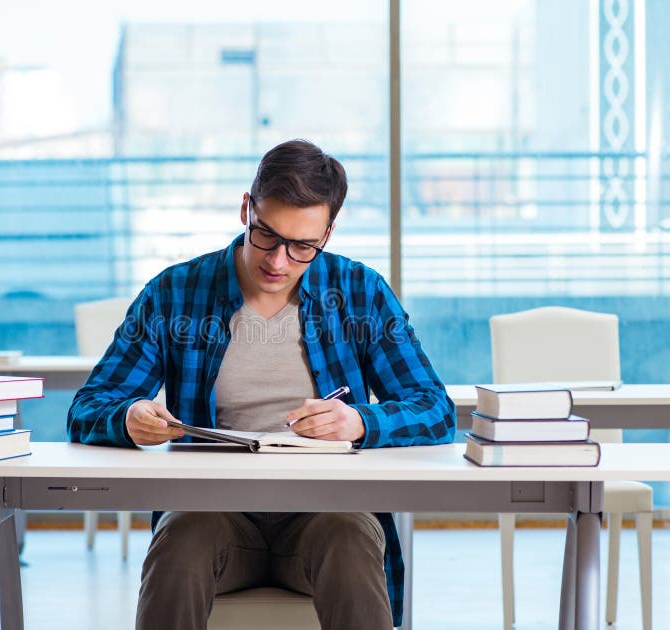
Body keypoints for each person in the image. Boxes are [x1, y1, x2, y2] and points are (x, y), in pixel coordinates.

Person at [67, 139, 456, 630]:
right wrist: (127, 418)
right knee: (178, 543)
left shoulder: (360, 291)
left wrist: (360, 421)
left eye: (303, 247)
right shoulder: (175, 293)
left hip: (327, 510)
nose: (278, 261)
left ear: (328, 233)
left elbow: (437, 409)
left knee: (352, 541)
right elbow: (87, 406)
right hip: (213, 512)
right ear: (246, 207)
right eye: (266, 235)